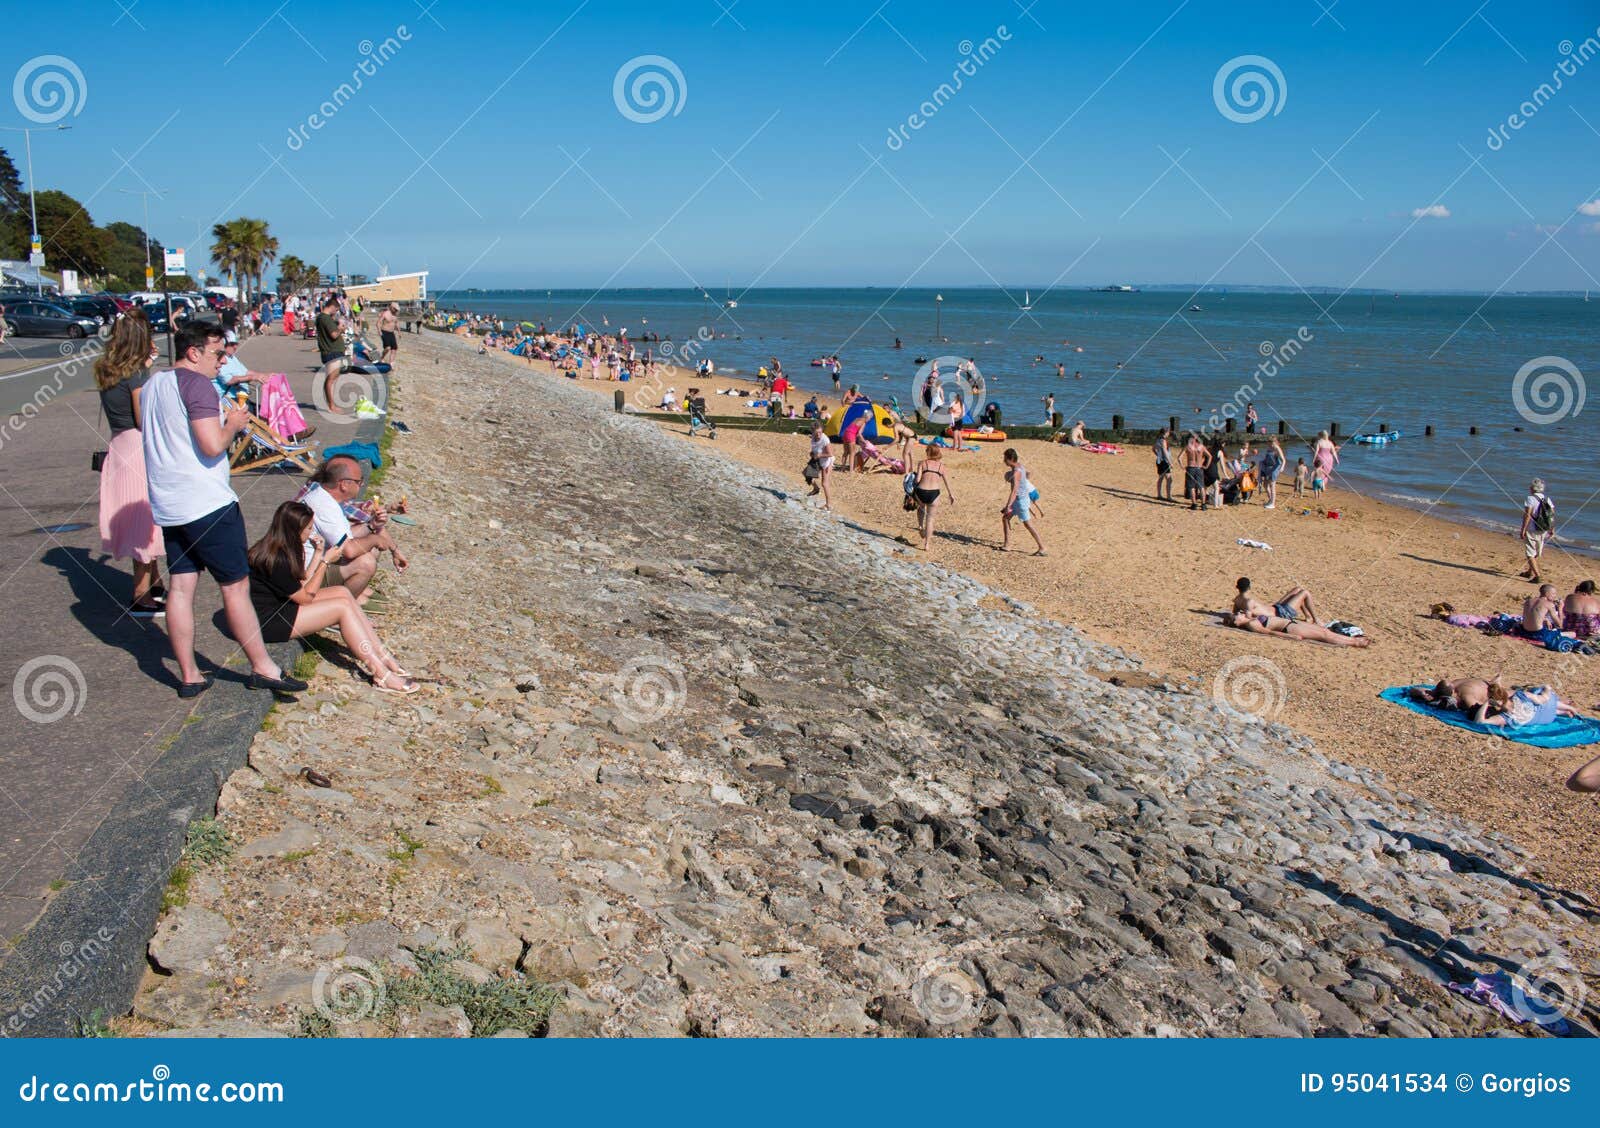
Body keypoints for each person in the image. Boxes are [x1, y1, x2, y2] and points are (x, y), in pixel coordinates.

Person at [140, 321, 309, 698]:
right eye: (218, 353)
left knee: (181, 589)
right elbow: (213, 444)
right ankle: (263, 668)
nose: (225, 359)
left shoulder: (153, 384)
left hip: (169, 506)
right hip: (207, 504)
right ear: (194, 352)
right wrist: (233, 423)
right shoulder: (197, 384)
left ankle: (189, 675)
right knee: (235, 588)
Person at [248, 501, 417, 693]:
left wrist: (319, 554)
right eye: (309, 528)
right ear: (296, 529)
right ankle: (380, 673)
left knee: (343, 593)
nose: (312, 532)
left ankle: (382, 655)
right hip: (269, 621)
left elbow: (302, 583)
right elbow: (304, 598)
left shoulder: (284, 545)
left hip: (282, 606)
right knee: (341, 609)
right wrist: (326, 562)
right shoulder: (276, 558)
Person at [94, 309, 166, 618]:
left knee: (140, 517)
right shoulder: (136, 374)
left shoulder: (107, 369)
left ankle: (155, 582)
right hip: (138, 446)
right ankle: (140, 595)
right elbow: (142, 415)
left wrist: (146, 367)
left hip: (118, 444)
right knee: (144, 519)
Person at [297, 455, 408, 600]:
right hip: (306, 575)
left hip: (312, 563)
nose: (361, 484)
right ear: (343, 484)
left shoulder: (325, 497)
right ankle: (336, 608)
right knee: (366, 563)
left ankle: (349, 598)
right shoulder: (325, 506)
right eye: (359, 481)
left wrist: (371, 526)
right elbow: (349, 550)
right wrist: (375, 539)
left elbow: (346, 536)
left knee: (369, 547)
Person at [1225, 611, 1370, 647]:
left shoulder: (1251, 619)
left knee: (1326, 632)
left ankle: (1353, 640)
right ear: (1236, 624)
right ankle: (1355, 643)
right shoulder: (1251, 625)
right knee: (1324, 636)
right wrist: (1290, 637)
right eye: (1235, 616)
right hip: (1290, 629)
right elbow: (1268, 632)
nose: (1238, 613)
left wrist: (1247, 614)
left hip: (1292, 624)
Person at [1000, 448, 1045, 556]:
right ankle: (1007, 544)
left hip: (1020, 502)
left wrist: (1008, 505)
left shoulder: (1016, 472)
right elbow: (1028, 475)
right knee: (1005, 518)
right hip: (1019, 500)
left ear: (1011, 459)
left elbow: (1015, 490)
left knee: (1028, 524)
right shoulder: (1020, 466)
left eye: (1005, 458)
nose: (1004, 461)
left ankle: (1042, 547)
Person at [912, 444, 954, 552]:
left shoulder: (922, 463)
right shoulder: (942, 466)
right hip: (934, 493)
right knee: (930, 520)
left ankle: (920, 526)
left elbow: (917, 480)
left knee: (921, 508)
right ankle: (927, 544)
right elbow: (947, 482)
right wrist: (951, 494)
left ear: (928, 452)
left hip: (921, 491)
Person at [1232, 577, 1320, 625]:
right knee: (1305, 593)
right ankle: (1316, 620)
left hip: (1276, 608)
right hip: (1281, 614)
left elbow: (1235, 612)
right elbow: (1248, 618)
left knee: (1298, 589)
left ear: (1237, 587)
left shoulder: (1237, 600)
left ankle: (1308, 617)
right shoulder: (1249, 601)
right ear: (1249, 587)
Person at [1518, 478, 1555, 582]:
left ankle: (1537, 576)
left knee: (1530, 553)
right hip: (1543, 529)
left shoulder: (1530, 498)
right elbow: (1551, 515)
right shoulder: (1547, 499)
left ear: (1532, 488)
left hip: (1532, 529)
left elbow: (1528, 515)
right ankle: (1529, 572)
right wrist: (1552, 529)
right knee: (1536, 553)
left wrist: (1523, 529)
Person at [315, 296, 345, 413]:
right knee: (331, 379)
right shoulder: (325, 318)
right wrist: (340, 328)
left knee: (332, 378)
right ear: (332, 307)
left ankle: (332, 403)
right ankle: (331, 406)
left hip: (331, 351)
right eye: (336, 310)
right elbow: (333, 335)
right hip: (332, 351)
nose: (336, 312)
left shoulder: (322, 318)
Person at [1180, 433, 1211, 511]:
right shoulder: (1201, 447)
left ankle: (1194, 504)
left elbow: (1179, 458)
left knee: (1192, 487)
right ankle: (1203, 505)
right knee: (1201, 487)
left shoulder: (1188, 447)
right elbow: (1210, 456)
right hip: (1199, 468)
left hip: (1191, 467)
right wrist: (1206, 466)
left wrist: (1182, 466)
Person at [807, 422, 833, 510]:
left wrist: (819, 455)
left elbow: (830, 454)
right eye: (816, 433)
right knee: (808, 476)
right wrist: (812, 454)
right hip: (818, 460)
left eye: (820, 432)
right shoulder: (813, 438)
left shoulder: (825, 439)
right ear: (813, 432)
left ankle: (829, 505)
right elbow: (814, 449)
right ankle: (816, 489)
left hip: (827, 462)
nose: (818, 435)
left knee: (825, 483)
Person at [1259, 435, 1285, 509]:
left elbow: (1283, 460)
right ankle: (1270, 500)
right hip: (1268, 468)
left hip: (1275, 468)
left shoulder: (1277, 448)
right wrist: (1262, 462)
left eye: (1271, 443)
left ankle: (1272, 503)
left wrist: (1282, 467)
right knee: (1265, 485)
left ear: (1274, 442)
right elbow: (1266, 458)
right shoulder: (1269, 448)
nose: (1270, 445)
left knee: (1272, 485)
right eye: (1269, 443)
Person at [1153, 429, 1173, 502]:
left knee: (1160, 478)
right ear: (1166, 433)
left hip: (1159, 461)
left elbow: (1153, 449)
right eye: (1168, 433)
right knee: (1169, 479)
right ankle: (1169, 496)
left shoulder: (1158, 440)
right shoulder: (1163, 441)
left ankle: (1159, 495)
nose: (1169, 434)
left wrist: (1158, 455)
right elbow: (1165, 451)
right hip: (1164, 461)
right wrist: (1170, 462)